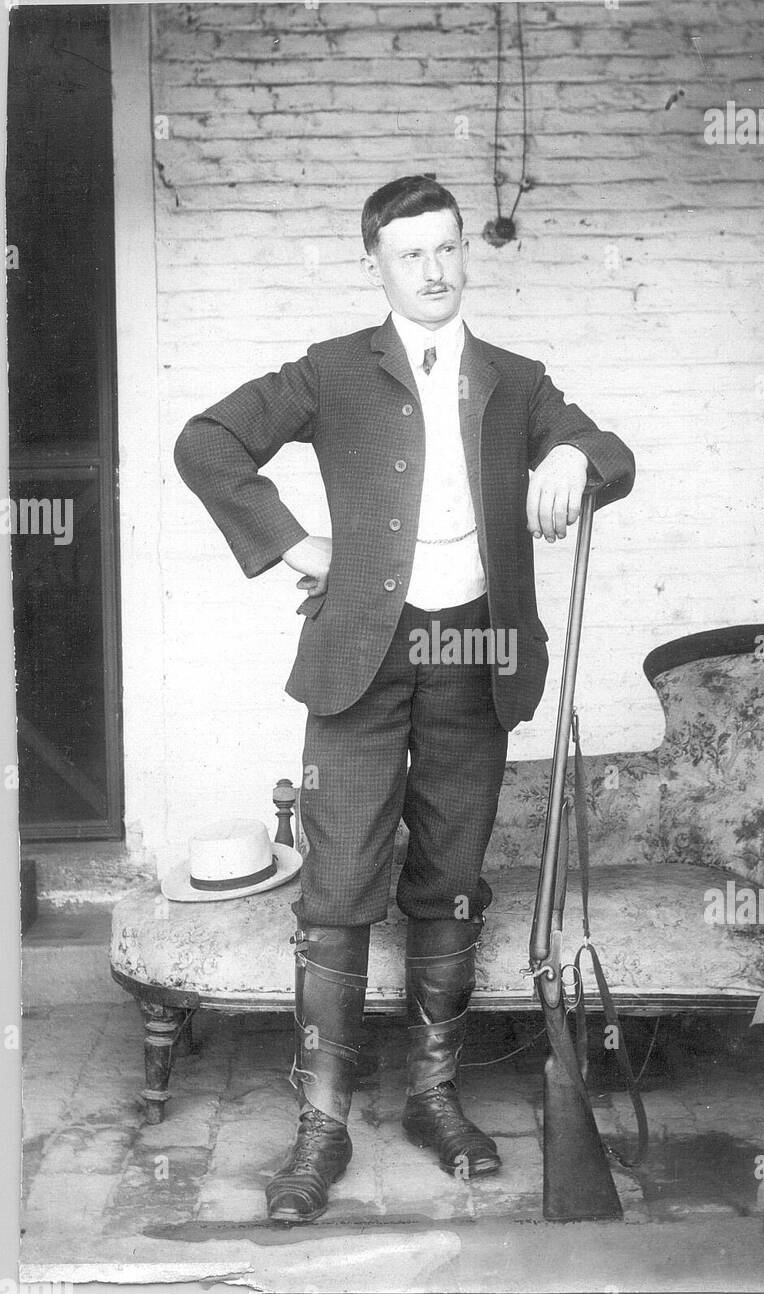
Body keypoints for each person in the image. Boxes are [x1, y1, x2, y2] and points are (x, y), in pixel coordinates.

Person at [175, 174, 635, 1222]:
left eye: (448, 248)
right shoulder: (333, 371)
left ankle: (434, 1097)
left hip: (473, 647)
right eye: (411, 253)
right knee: (336, 888)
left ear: (465, 253)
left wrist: (571, 453)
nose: (435, 270)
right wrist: (293, 541)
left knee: (453, 880)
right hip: (359, 656)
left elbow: (616, 455)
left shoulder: (516, 381)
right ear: (375, 262)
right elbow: (206, 440)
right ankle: (321, 1124)